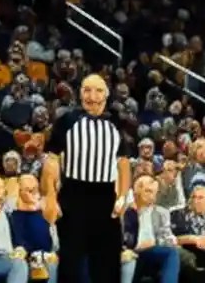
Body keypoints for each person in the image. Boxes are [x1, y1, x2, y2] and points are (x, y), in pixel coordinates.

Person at [42, 74, 132, 283]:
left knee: (108, 263)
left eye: (98, 90)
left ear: (107, 95)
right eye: (87, 90)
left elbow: (123, 162)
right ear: (80, 93)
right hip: (74, 194)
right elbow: (52, 160)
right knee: (71, 263)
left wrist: (122, 196)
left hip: (105, 197)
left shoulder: (116, 123)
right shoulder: (67, 120)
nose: (92, 96)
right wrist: (50, 196)